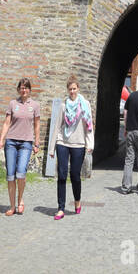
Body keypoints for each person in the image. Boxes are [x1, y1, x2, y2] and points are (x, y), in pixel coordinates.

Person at [48, 76, 94, 220]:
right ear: (67, 90)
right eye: (70, 89)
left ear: (78, 89)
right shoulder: (63, 105)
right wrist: (51, 148)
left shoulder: (85, 104)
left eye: (74, 89)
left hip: (78, 143)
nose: (72, 91)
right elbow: (57, 126)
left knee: (75, 175)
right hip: (63, 142)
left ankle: (77, 200)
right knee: (62, 175)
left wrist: (90, 143)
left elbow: (89, 125)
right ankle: (61, 208)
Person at [0, 77, 41, 216]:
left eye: (26, 87)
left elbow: (37, 125)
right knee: (10, 175)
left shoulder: (34, 105)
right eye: (22, 87)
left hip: (26, 143)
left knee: (21, 172)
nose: (24, 90)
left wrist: (37, 142)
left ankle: (20, 200)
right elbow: (6, 123)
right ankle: (12, 206)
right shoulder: (12, 104)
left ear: (30, 90)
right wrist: (1, 139)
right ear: (18, 89)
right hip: (11, 142)